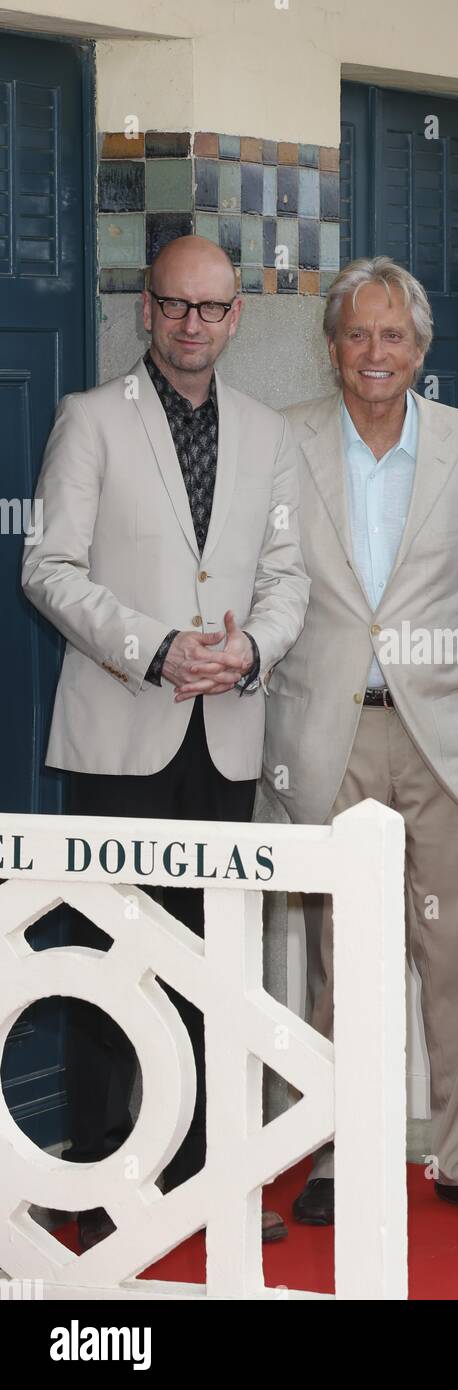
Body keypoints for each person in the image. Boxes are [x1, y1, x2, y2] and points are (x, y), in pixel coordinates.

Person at [22, 235, 310, 1250]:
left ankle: (202, 1166)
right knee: (113, 955)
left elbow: (286, 576)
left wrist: (249, 652)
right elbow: (49, 569)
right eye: (176, 306)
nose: (194, 324)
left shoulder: (271, 435)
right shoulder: (91, 420)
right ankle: (101, 1170)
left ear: (236, 318)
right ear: (146, 310)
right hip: (120, 732)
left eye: (213, 308)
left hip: (225, 733)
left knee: (207, 958)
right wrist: (153, 649)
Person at [260, 256, 458, 1226]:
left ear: (420, 350)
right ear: (331, 345)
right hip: (326, 734)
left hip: (442, 734)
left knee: (456, 954)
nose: (373, 352)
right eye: (356, 333)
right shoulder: (281, 440)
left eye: (393, 336)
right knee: (346, 956)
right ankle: (343, 1150)